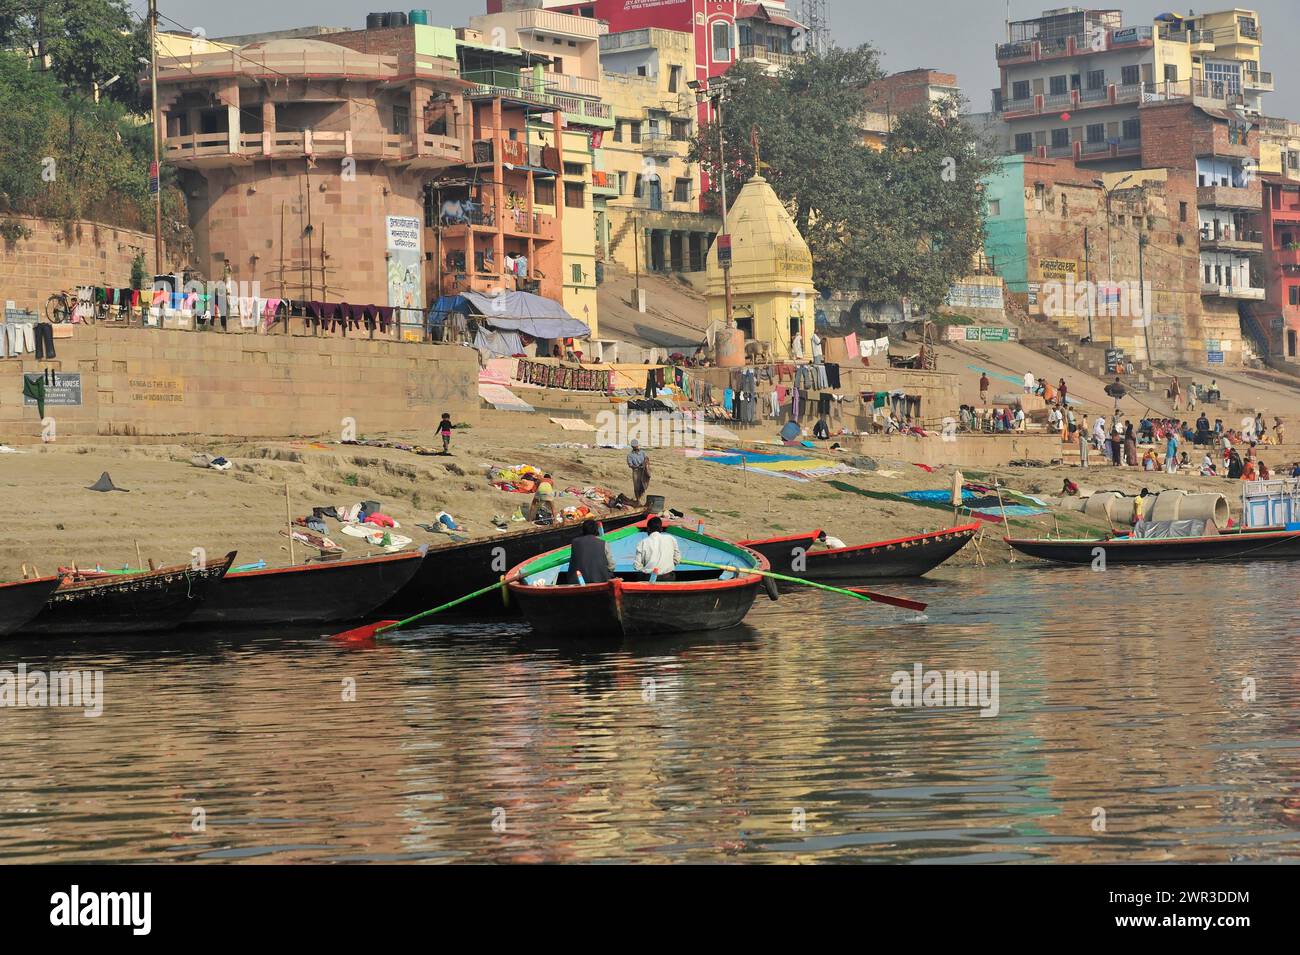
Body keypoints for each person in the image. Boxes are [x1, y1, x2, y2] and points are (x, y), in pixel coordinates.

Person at [568, 519, 615, 585]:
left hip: (577, 581)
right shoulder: (604, 543)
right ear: (596, 530)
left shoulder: (574, 542)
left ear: (583, 530)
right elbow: (612, 566)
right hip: (600, 580)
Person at [633, 516, 680, 580]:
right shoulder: (671, 539)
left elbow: (637, 566)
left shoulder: (642, 543)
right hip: (668, 577)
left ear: (648, 529)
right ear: (661, 529)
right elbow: (677, 560)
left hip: (648, 577)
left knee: (639, 575)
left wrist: (645, 570)